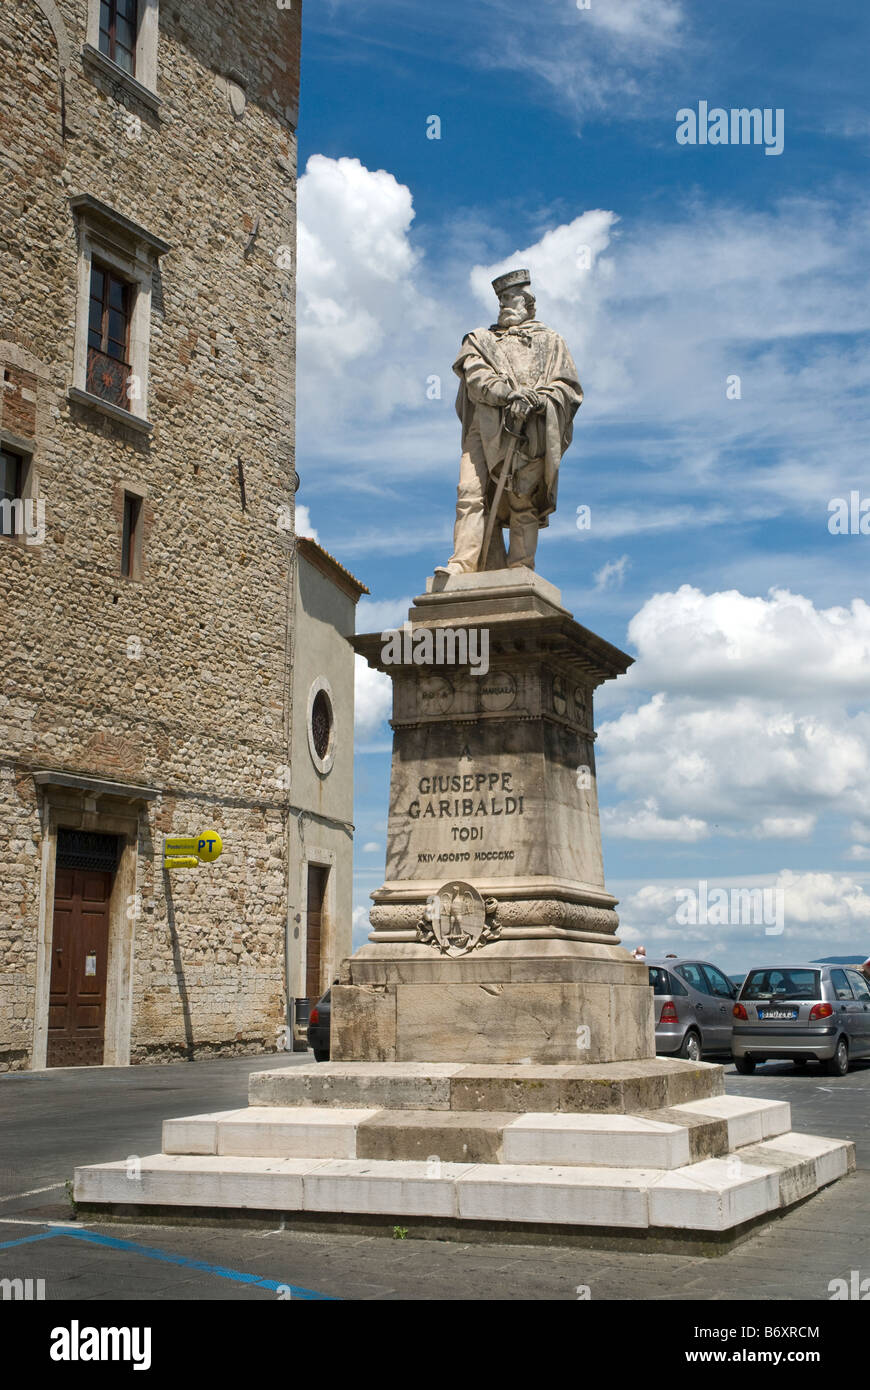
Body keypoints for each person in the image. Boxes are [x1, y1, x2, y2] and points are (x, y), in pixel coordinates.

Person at [438, 268, 583, 574]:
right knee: (469, 492)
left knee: (522, 501)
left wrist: (539, 400)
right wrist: (508, 395)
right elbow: (475, 377)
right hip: (485, 427)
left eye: (510, 297)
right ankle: (462, 563)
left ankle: (520, 568)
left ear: (528, 302)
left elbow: (568, 388)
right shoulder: (480, 340)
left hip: (529, 429)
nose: (504, 303)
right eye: (501, 298)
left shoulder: (552, 342)